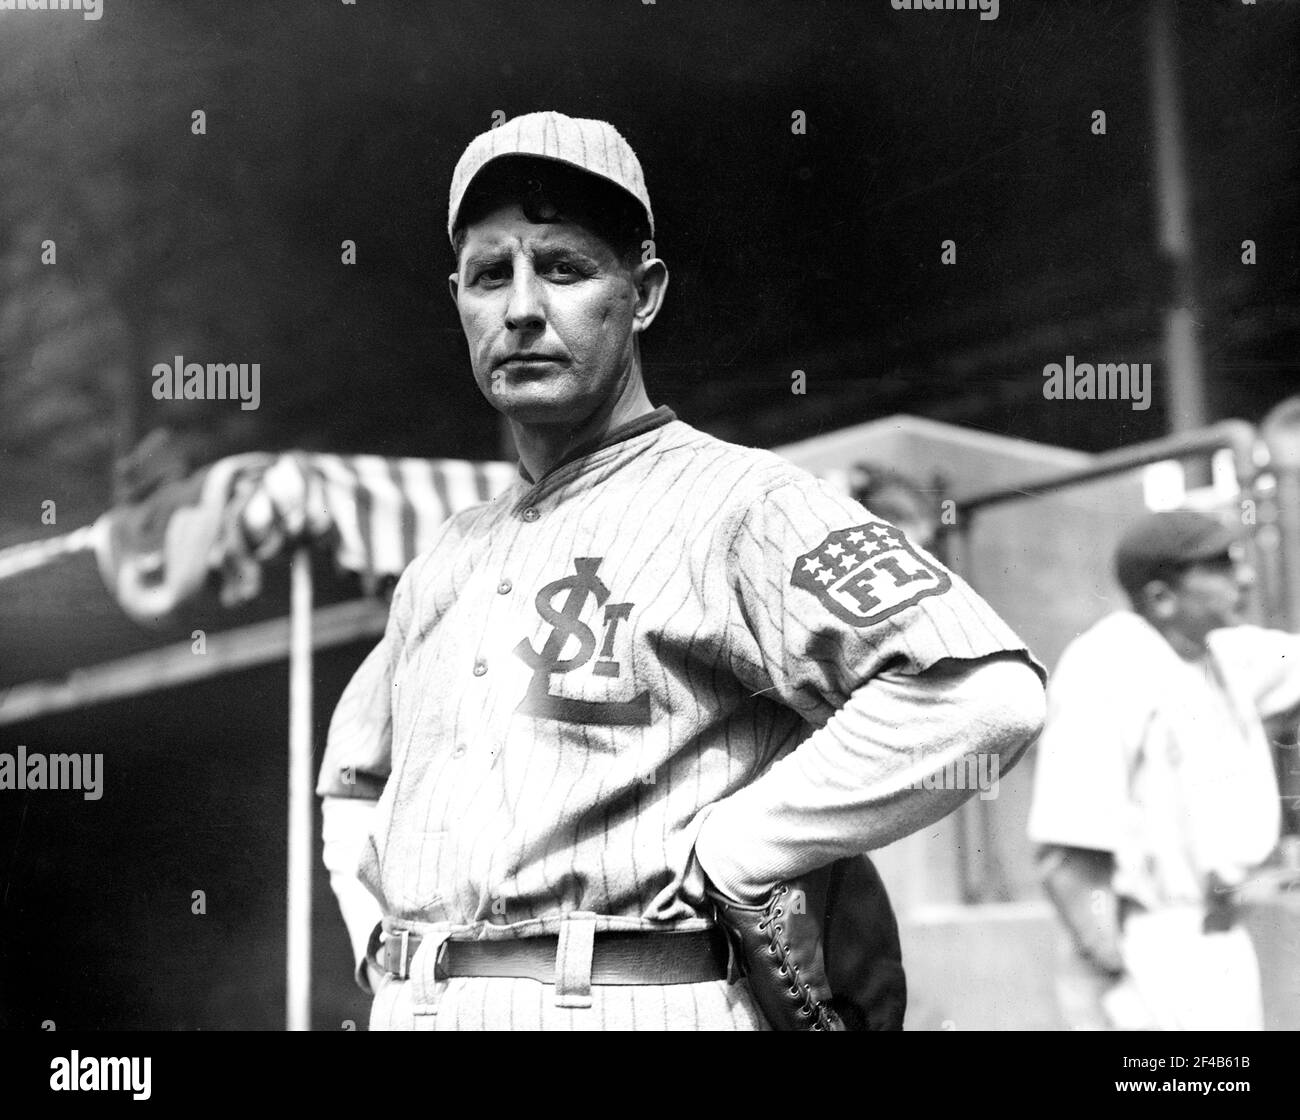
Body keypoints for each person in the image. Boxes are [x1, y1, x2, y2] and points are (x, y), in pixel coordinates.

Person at [317, 110, 1046, 1031]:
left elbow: (984, 697)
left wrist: (746, 846)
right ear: (457, 297)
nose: (522, 308)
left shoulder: (744, 504)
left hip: (632, 993)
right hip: (419, 1003)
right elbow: (353, 773)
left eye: (566, 268)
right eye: (489, 274)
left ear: (645, 292)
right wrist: (374, 937)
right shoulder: (447, 557)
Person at [1028, 509, 1299, 1030]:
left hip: (1221, 936)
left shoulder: (1223, 649)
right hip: (1149, 942)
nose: (1243, 577)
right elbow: (1070, 846)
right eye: (1218, 566)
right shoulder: (1107, 664)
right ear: (1161, 598)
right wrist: (1113, 962)